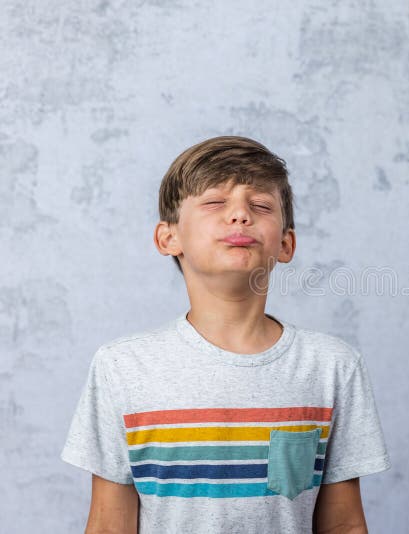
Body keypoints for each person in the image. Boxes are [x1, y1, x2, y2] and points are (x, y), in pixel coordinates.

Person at [60, 135, 391, 533]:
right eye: (216, 202)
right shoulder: (122, 367)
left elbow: (344, 526)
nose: (239, 215)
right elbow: (109, 526)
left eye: (261, 205)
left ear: (286, 244)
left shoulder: (332, 366)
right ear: (169, 237)